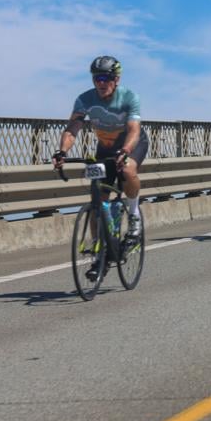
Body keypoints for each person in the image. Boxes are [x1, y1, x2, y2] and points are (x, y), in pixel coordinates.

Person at [53, 56, 149, 279]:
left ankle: (134, 215)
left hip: (132, 144)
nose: (101, 83)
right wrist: (62, 152)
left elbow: (134, 130)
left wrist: (125, 150)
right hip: (105, 148)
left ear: (116, 79)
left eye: (106, 78)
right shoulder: (85, 99)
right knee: (98, 201)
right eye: (97, 78)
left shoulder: (129, 97)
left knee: (127, 170)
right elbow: (72, 129)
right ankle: (101, 252)